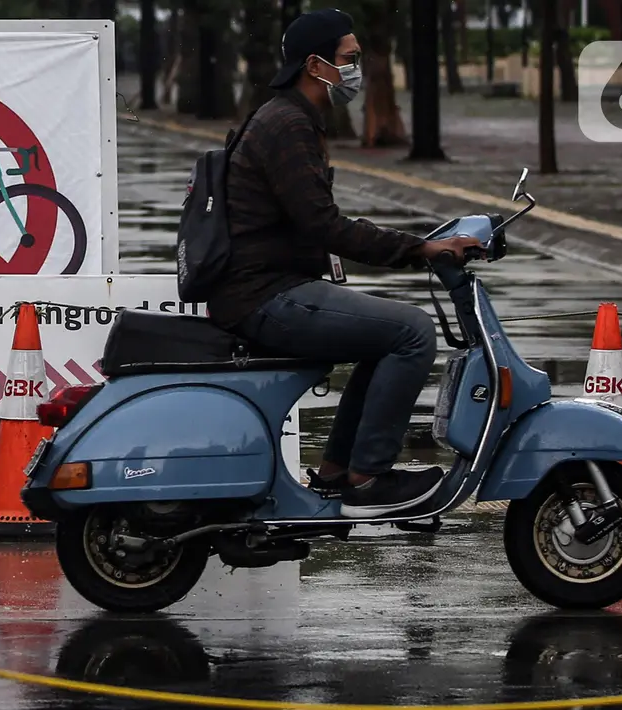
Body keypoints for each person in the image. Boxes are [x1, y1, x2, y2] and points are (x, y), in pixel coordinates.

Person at [206, 8, 486, 519]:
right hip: (265, 296)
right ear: (316, 65)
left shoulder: (286, 116)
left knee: (386, 335)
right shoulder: (288, 124)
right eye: (349, 59)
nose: (356, 69)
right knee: (413, 332)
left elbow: (315, 220)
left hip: (263, 288)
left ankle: (338, 470)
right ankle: (368, 478)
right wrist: (419, 249)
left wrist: (413, 246)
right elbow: (325, 226)